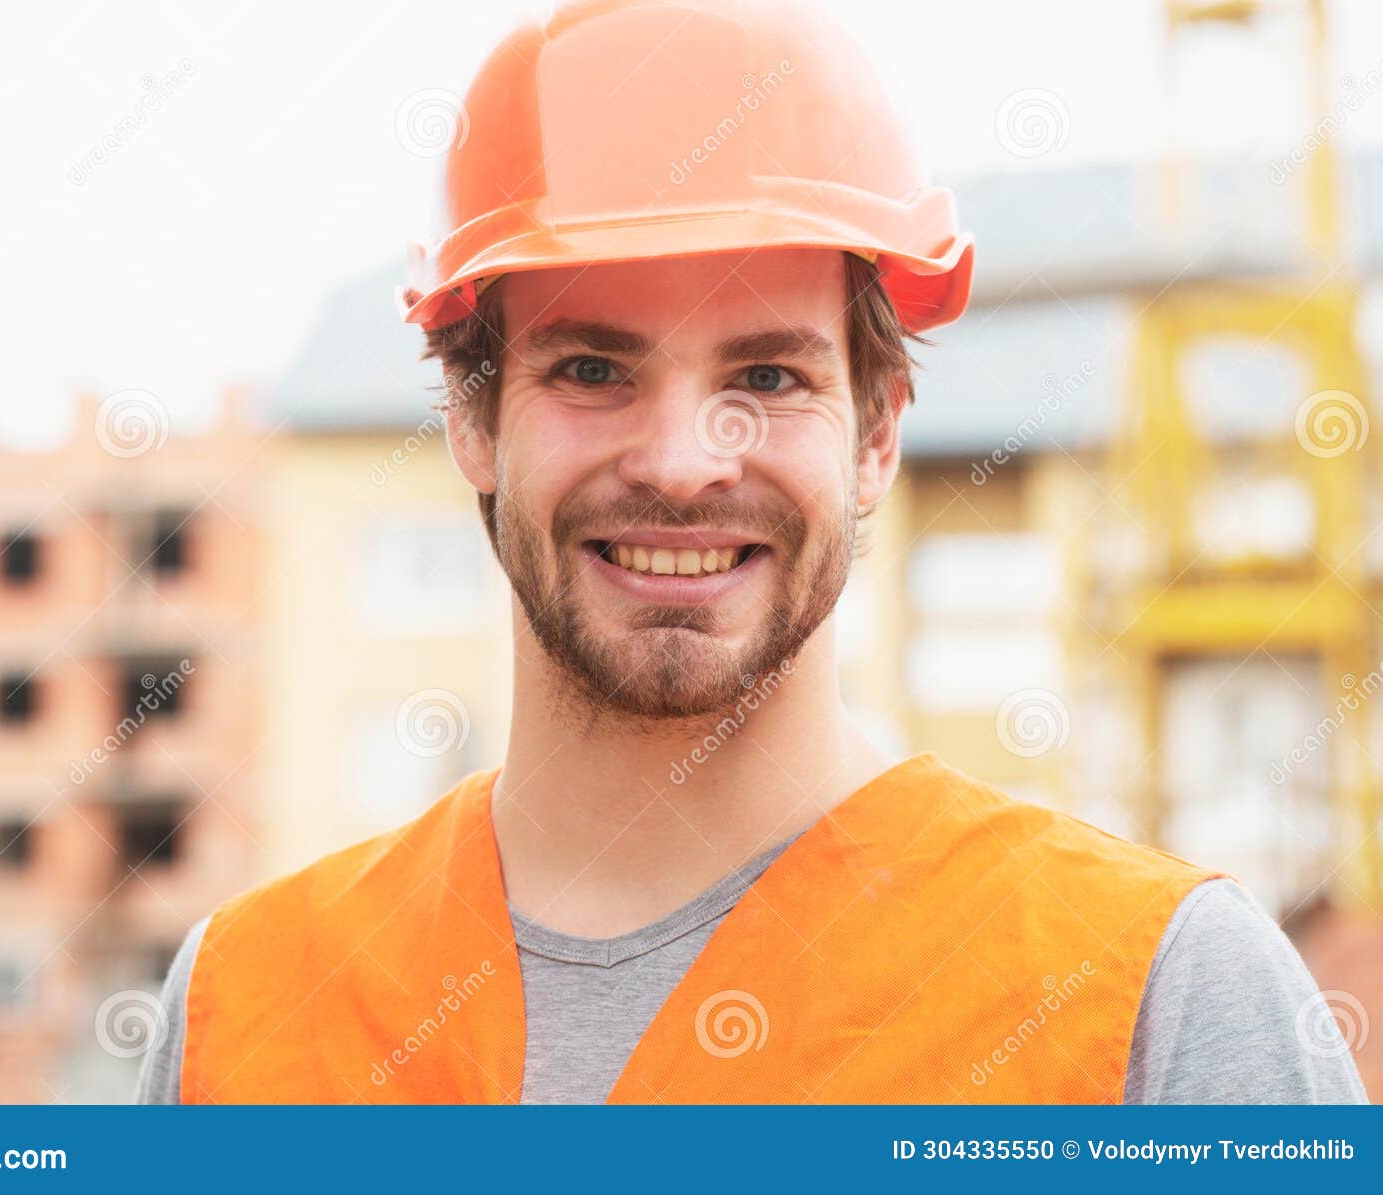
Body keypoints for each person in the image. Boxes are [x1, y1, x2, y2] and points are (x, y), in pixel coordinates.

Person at [136, 0, 1367, 1104]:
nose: (683, 461)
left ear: (876, 433)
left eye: (768, 376)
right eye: (592, 368)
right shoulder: (243, 1012)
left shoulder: (1150, 1005)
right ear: (471, 417)